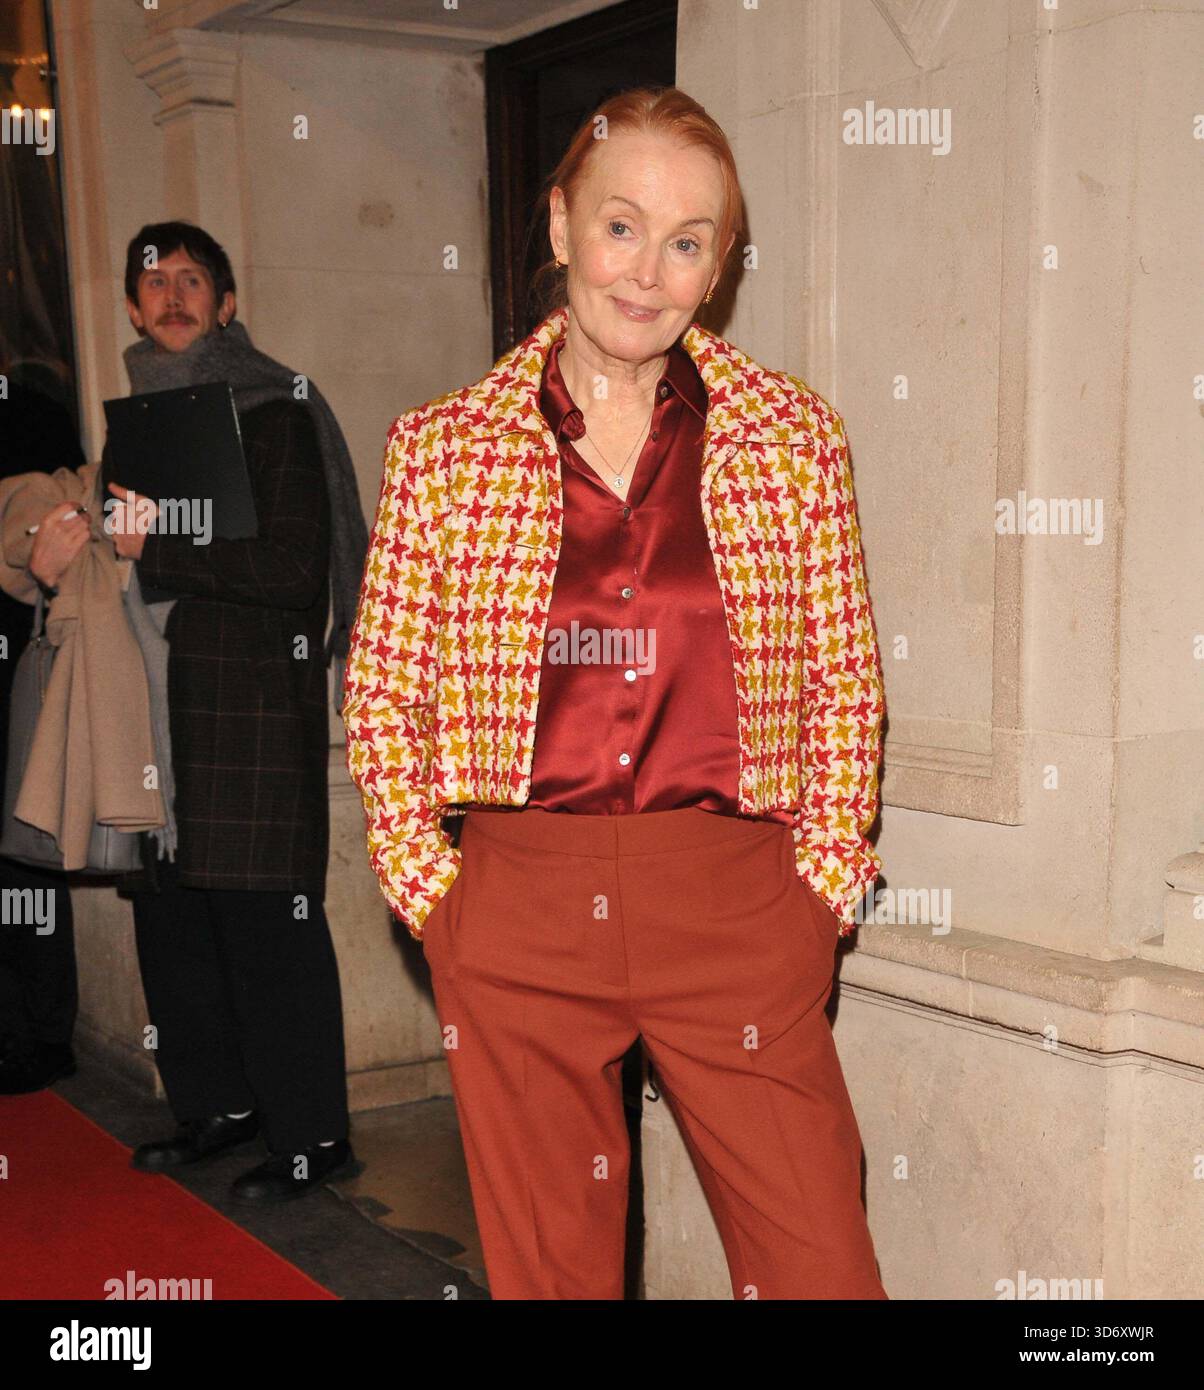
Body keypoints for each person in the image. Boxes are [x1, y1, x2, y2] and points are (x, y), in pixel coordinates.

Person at [343, 86, 888, 1297]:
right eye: (621, 225)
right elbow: (384, 691)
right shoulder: (442, 447)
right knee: (554, 1276)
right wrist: (438, 897)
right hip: (520, 903)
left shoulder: (793, 438)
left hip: (739, 906)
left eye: (688, 241)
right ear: (559, 227)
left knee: (820, 1266)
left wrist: (823, 887)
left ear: (718, 268)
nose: (647, 272)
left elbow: (845, 685)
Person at [27, 221, 368, 1202]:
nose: (172, 296)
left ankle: (311, 1139)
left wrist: (156, 548)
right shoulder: (131, 428)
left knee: (271, 937)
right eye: (154, 283)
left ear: (226, 302)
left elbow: (296, 570)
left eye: (192, 281)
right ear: (131, 309)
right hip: (151, 722)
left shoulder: (274, 411)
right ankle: (217, 1108)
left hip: (252, 712)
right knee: (175, 935)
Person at [0, 371, 81, 1094]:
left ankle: (42, 1034)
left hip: (17, 673)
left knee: (23, 852)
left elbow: (63, 537)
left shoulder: (30, 414)